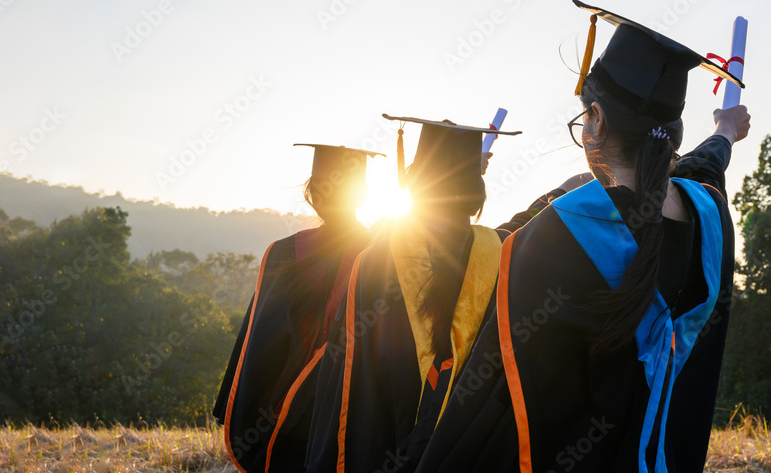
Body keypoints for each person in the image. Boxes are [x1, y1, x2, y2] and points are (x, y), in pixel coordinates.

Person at [416, 2, 751, 472]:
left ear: (597, 117)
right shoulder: (710, 215)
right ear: (672, 132)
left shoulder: (555, 236)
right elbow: (698, 171)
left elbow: (492, 412)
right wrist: (724, 133)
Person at [295, 115, 521, 473]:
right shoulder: (507, 254)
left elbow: (354, 377)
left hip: (389, 445)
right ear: (477, 189)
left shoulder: (376, 261)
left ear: (414, 184)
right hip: (477, 450)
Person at [212, 143, 383, 473]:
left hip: (285, 415)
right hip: (351, 415)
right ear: (362, 195)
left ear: (313, 195)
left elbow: (261, 342)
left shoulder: (285, 252)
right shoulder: (381, 253)